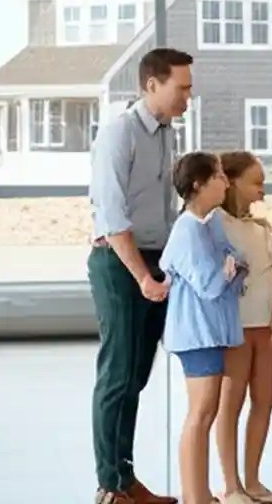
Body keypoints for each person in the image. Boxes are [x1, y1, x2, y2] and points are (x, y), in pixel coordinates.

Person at [89, 48, 193, 504]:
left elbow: (166, 211)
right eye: (182, 87)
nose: (188, 96)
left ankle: (125, 479)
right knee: (117, 375)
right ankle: (109, 486)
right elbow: (113, 219)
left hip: (154, 259)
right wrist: (143, 279)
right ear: (152, 84)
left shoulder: (167, 133)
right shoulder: (119, 134)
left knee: (136, 376)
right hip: (121, 263)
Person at [160, 152, 251, 504]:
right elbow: (212, 282)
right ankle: (194, 495)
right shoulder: (187, 230)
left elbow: (237, 265)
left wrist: (231, 267)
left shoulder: (210, 223)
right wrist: (230, 267)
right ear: (198, 184)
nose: (225, 182)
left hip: (212, 330)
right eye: (217, 176)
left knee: (207, 411)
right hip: (196, 334)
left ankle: (198, 493)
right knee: (201, 412)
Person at [213, 151, 272, 504]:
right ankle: (231, 485)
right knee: (232, 403)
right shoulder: (216, 223)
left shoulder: (260, 227)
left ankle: (254, 482)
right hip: (236, 327)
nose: (262, 191)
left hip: (264, 327)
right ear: (232, 182)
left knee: (265, 401)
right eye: (256, 182)